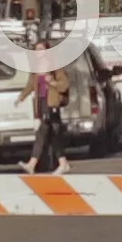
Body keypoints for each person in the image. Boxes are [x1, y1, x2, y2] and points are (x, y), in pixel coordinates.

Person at [15, 40, 72, 175]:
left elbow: (64, 84)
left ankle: (33, 163)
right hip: (41, 102)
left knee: (44, 131)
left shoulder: (55, 66)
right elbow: (30, 84)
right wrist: (21, 97)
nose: (38, 53)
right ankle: (63, 163)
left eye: (41, 49)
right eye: (36, 50)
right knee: (52, 133)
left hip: (52, 103)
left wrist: (52, 82)